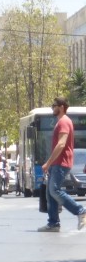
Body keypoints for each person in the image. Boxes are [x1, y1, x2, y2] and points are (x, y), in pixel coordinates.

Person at [39, 96, 86, 232]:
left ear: (61, 107)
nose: (52, 108)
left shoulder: (64, 122)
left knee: (55, 190)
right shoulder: (61, 122)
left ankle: (81, 211)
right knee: (50, 193)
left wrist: (48, 163)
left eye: (54, 105)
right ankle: (53, 223)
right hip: (57, 163)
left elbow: (61, 144)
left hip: (61, 163)